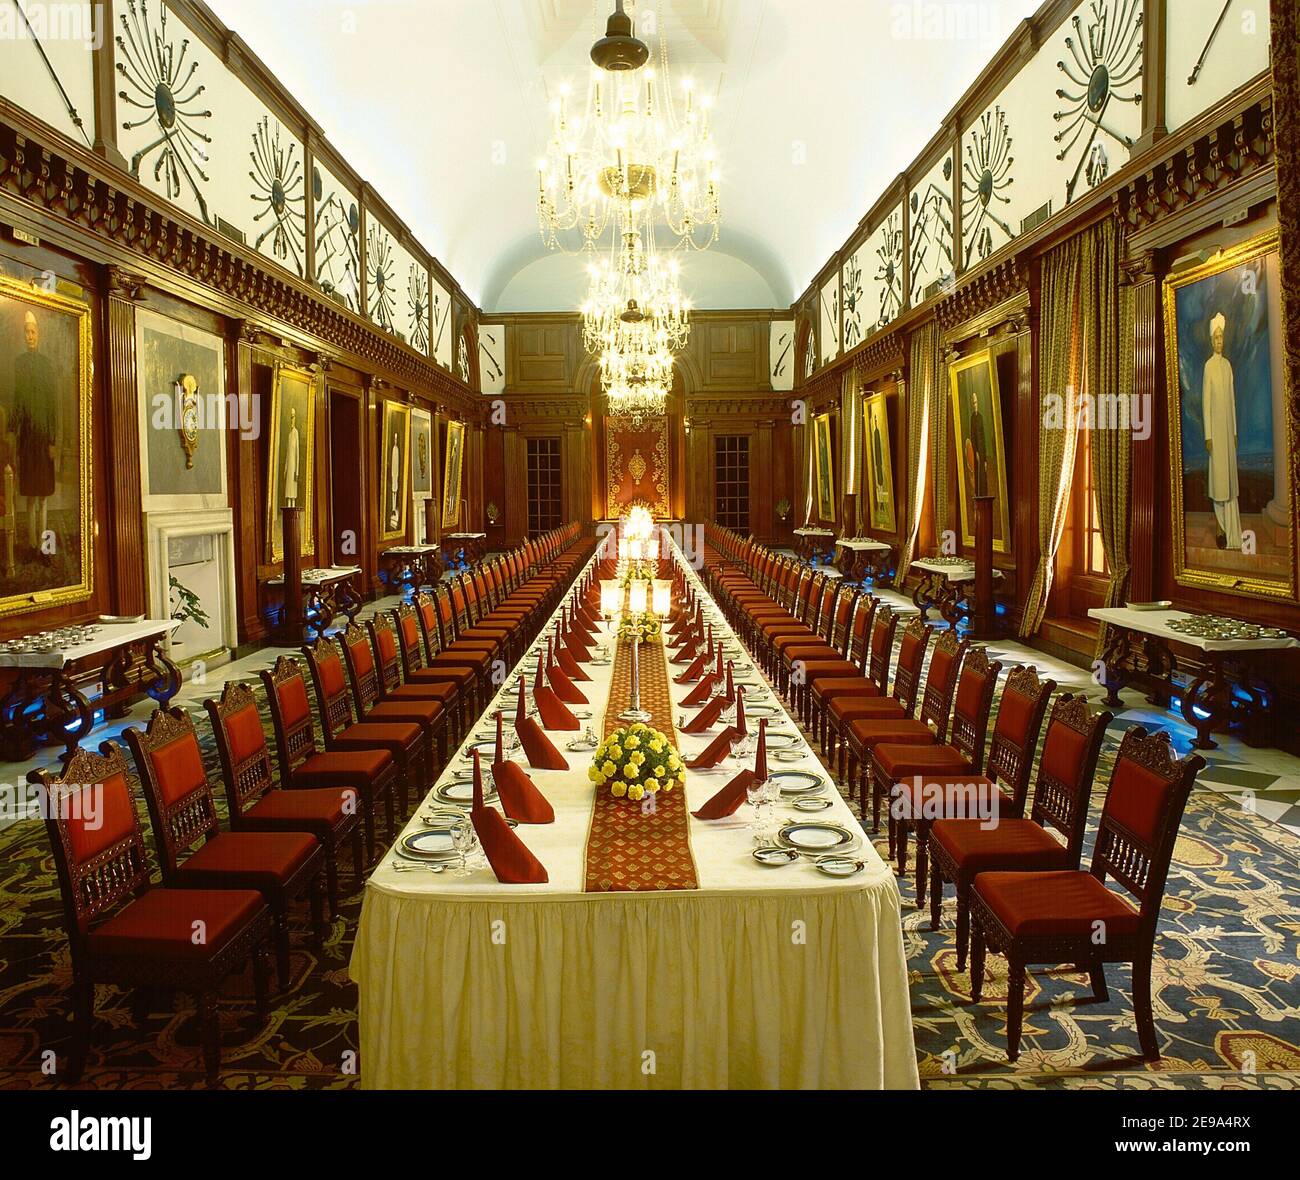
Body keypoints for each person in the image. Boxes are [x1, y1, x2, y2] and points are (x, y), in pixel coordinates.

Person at [12, 311, 57, 557]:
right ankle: (31, 546)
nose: (29, 336)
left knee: (43, 497)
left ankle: (44, 547)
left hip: (43, 441)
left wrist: (53, 441)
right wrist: (11, 433)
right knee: (29, 495)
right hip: (27, 441)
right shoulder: (18, 363)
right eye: (26, 333)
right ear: (23, 336)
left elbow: (52, 407)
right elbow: (17, 402)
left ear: (38, 335)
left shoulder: (47, 365)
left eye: (33, 332)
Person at [1201, 312, 1241, 550]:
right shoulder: (1208, 367)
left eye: (1221, 338)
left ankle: (1232, 527)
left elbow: (1232, 401)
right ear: (1211, 341)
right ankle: (1221, 528)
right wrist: (1208, 435)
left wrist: (1234, 430)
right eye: (1216, 338)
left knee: (1229, 479)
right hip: (1215, 434)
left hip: (1228, 433)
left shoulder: (1227, 366)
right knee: (1218, 481)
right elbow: (1206, 402)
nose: (1219, 342)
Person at [283, 406, 300, 507]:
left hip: (293, 467)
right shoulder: (289, 435)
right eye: (290, 417)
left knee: (293, 493)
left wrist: (297, 471)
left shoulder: (296, 433)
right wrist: (285, 469)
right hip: (289, 467)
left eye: (293, 417)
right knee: (288, 493)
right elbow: (287, 454)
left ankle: (292, 507)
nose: (292, 420)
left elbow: (297, 453)